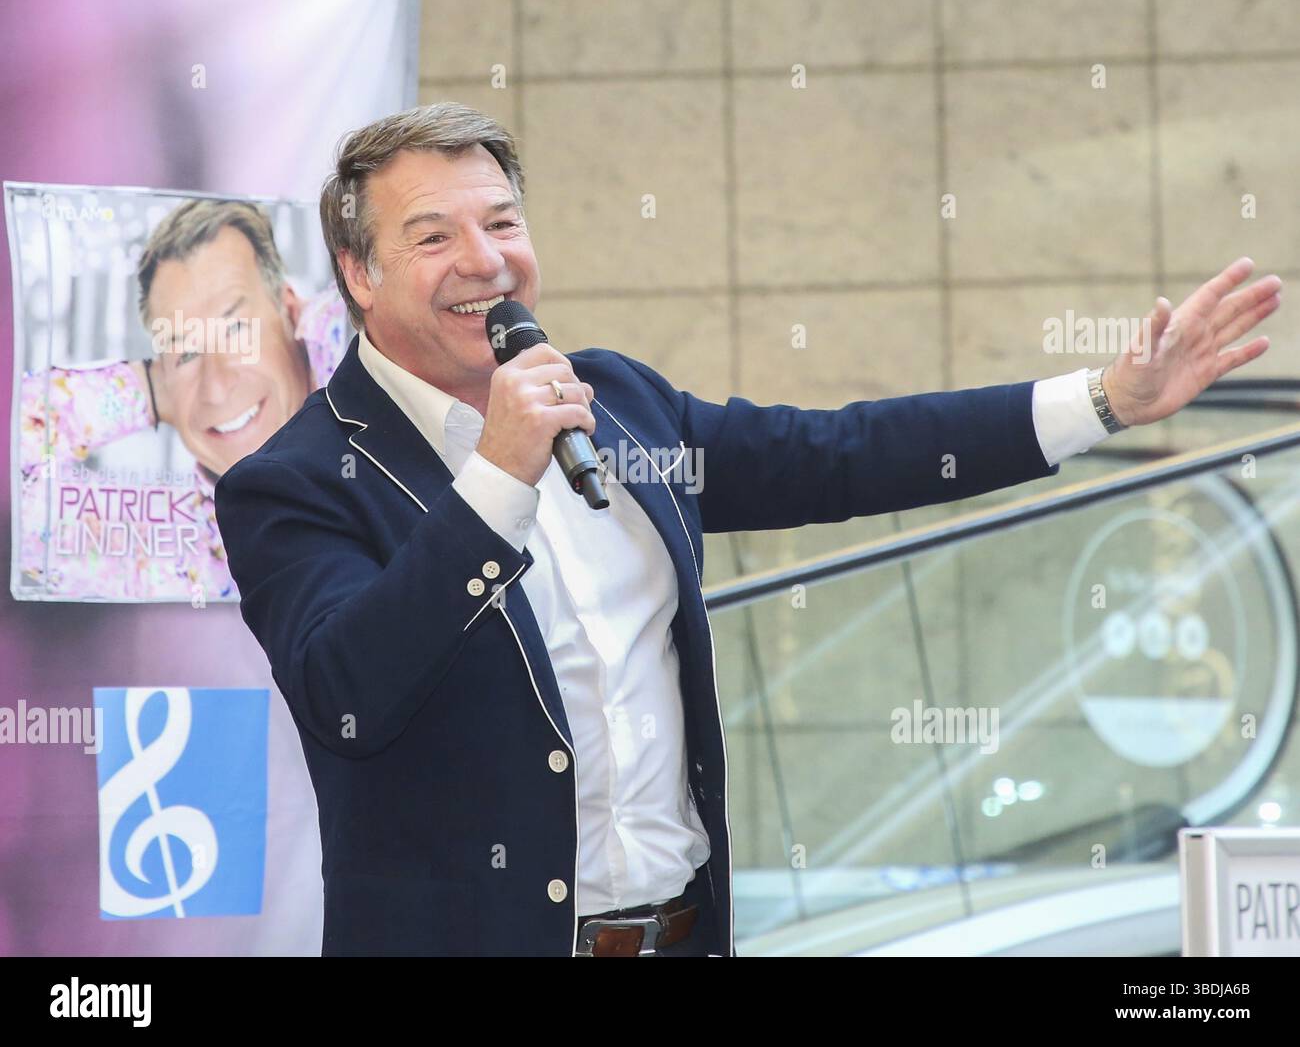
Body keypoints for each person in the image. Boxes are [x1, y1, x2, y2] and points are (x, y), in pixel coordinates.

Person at [213, 102, 1281, 957]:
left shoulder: (616, 401)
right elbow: (348, 692)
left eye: (501, 223)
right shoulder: (297, 479)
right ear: (359, 273)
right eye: (433, 236)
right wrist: (497, 474)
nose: (484, 261)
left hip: (682, 933)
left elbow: (844, 452)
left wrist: (1103, 399)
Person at [17, 199, 350, 600]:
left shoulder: (362, 349)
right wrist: (148, 391)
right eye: (186, 352)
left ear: (292, 311)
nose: (217, 387)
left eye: (237, 330)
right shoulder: (182, 552)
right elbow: (25, 510)